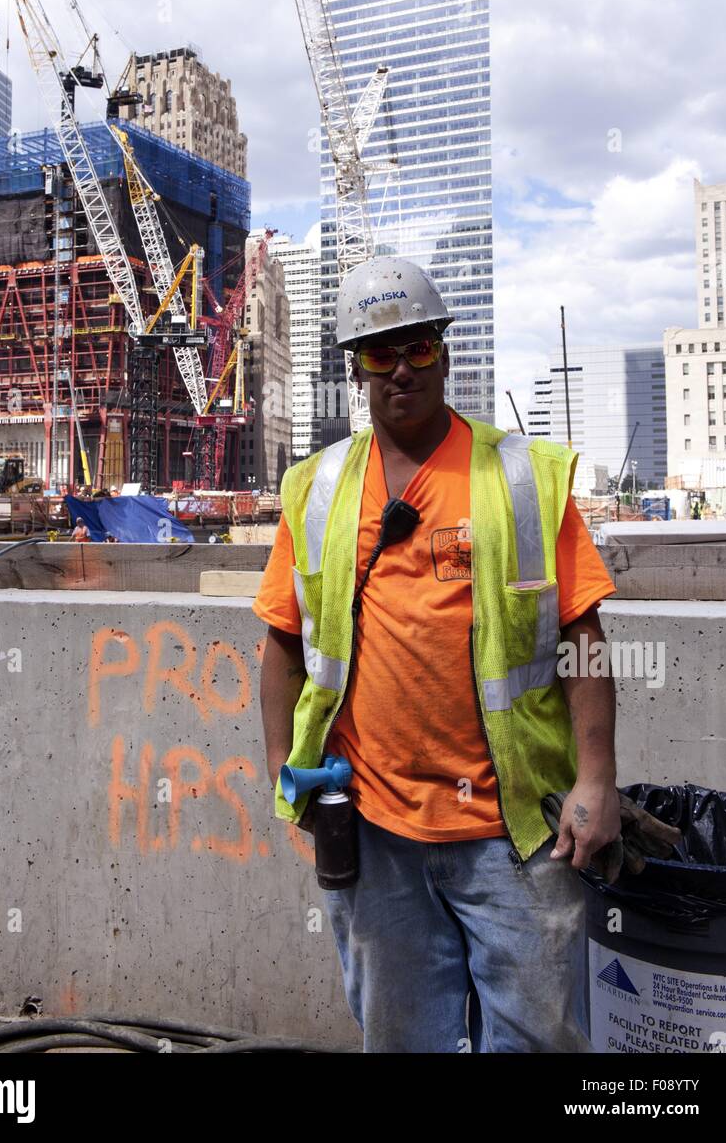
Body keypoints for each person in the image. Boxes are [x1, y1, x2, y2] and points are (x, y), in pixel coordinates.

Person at [253, 256, 620, 1053]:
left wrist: (595, 779)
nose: (400, 369)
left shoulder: (519, 476)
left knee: (536, 1039)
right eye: (378, 354)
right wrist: (284, 769)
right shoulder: (316, 489)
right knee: (400, 1037)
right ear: (355, 371)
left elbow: (581, 635)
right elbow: (283, 638)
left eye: (417, 347)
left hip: (514, 830)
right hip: (374, 827)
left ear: (445, 351)